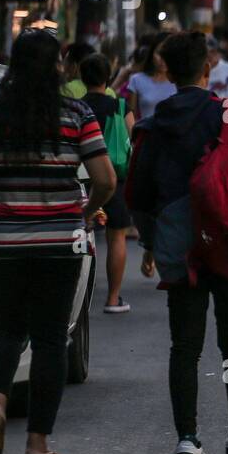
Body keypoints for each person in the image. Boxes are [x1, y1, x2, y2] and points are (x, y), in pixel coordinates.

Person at [0, 28, 116, 454]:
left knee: (4, 328)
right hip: (58, 241)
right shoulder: (77, 114)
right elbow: (106, 180)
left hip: (2, 240)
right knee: (49, 339)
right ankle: (37, 443)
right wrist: (84, 211)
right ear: (58, 66)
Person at [125, 31, 228, 454]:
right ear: (209, 67)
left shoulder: (153, 127)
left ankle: (187, 443)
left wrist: (151, 243)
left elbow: (138, 193)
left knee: (185, 347)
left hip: (180, 250)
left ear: (166, 72)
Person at [79, 52, 136, 315]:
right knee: (116, 236)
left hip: (81, 177)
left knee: (78, 236)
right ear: (108, 78)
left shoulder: (75, 107)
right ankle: (113, 299)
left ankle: (75, 301)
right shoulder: (120, 107)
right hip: (114, 178)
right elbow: (131, 142)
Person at [126, 32, 177, 120]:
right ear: (152, 53)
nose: (163, 59)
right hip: (146, 132)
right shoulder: (137, 80)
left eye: (167, 54)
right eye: (159, 53)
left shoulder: (179, 81)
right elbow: (131, 118)